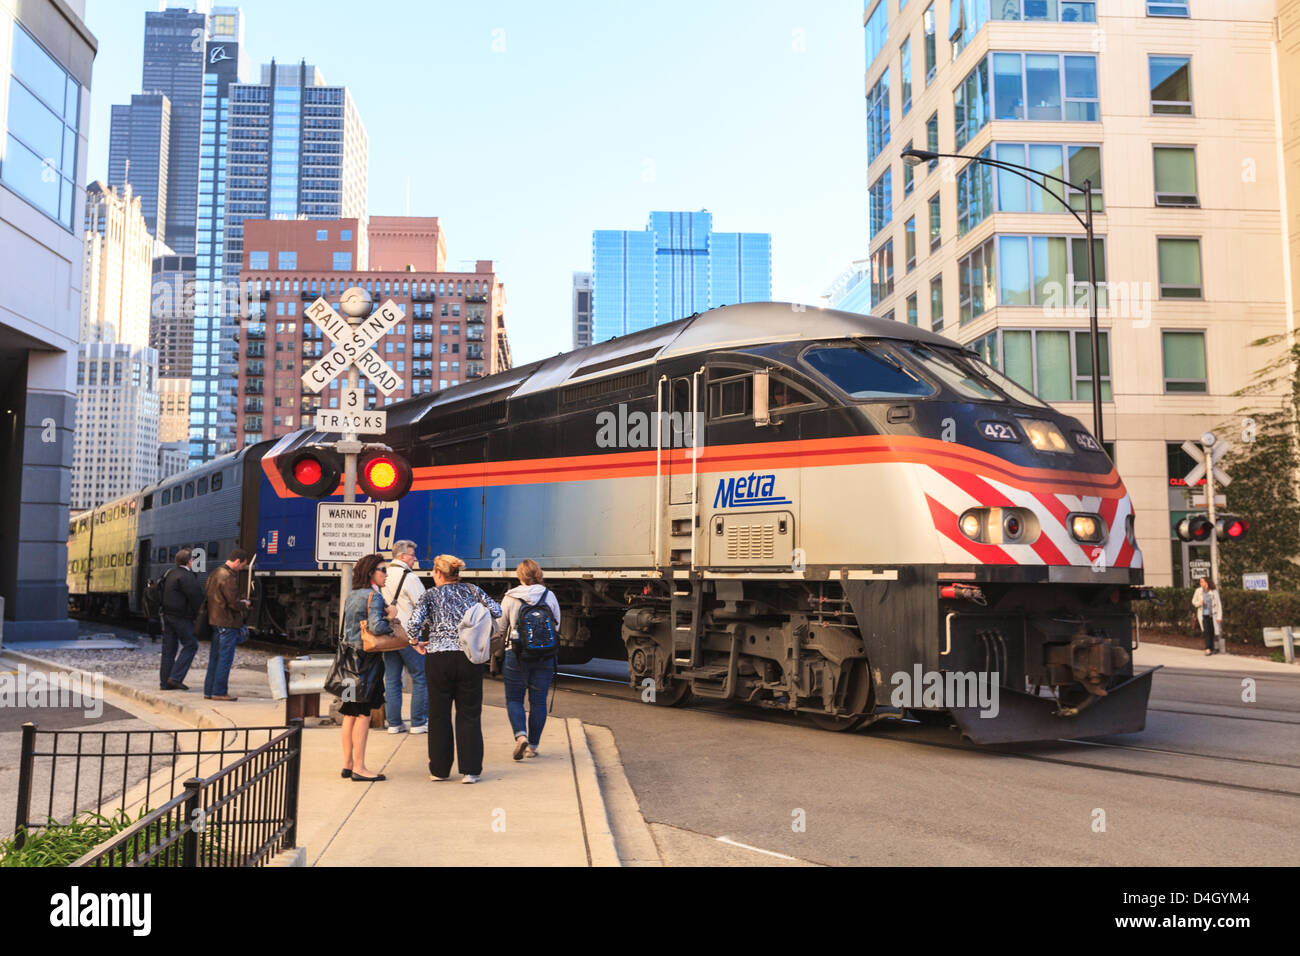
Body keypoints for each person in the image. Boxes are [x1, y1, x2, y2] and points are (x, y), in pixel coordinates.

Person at [408, 554, 501, 784]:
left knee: (438, 714)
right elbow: (497, 610)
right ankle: (470, 770)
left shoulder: (430, 595)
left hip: (438, 658)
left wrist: (415, 642)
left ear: (439, 574)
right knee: (469, 713)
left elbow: (412, 625)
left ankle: (439, 770)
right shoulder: (472, 590)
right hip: (468, 657)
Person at [340, 552, 397, 783]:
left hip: (347, 661)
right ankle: (361, 768)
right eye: (383, 570)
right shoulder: (374, 597)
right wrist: (390, 617)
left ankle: (347, 764)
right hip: (365, 663)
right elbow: (377, 627)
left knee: (350, 713)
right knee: (363, 714)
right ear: (371, 572)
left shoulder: (352, 595)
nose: (386, 574)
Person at [496, 559, 562, 760]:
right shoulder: (549, 595)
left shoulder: (510, 597)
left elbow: (500, 628)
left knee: (514, 699)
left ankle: (520, 737)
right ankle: (532, 746)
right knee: (538, 701)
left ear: (519, 576)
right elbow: (556, 625)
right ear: (539, 575)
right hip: (544, 655)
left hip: (515, 654)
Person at [380, 540, 429, 735]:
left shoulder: (383, 575)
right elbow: (423, 605)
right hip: (408, 636)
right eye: (412, 555)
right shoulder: (410, 578)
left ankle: (394, 723)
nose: (415, 559)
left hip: (389, 634)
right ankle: (418, 723)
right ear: (402, 557)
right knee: (420, 677)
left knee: (391, 679)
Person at [203, 548, 252, 701]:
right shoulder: (228, 577)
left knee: (215, 658)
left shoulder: (215, 573)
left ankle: (209, 691)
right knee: (225, 659)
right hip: (228, 622)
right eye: (242, 565)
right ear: (237, 561)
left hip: (215, 620)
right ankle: (220, 692)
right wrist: (245, 604)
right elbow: (233, 603)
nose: (242, 568)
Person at [159, 549, 204, 690]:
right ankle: (175, 677)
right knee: (191, 645)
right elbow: (196, 598)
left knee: (169, 650)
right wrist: (200, 615)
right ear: (189, 561)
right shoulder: (187, 576)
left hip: (167, 615)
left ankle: (164, 682)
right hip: (182, 618)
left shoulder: (169, 574)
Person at [1192, 577, 1223, 655]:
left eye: (1202, 582)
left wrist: (1219, 617)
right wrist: (1199, 603)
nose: (1201, 583)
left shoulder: (1214, 591)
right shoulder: (1198, 591)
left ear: (1207, 582)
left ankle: (1212, 648)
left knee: (1212, 632)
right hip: (1203, 615)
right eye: (1200, 582)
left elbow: (1219, 604)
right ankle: (1207, 648)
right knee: (1206, 632)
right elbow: (1193, 601)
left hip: (1213, 615)